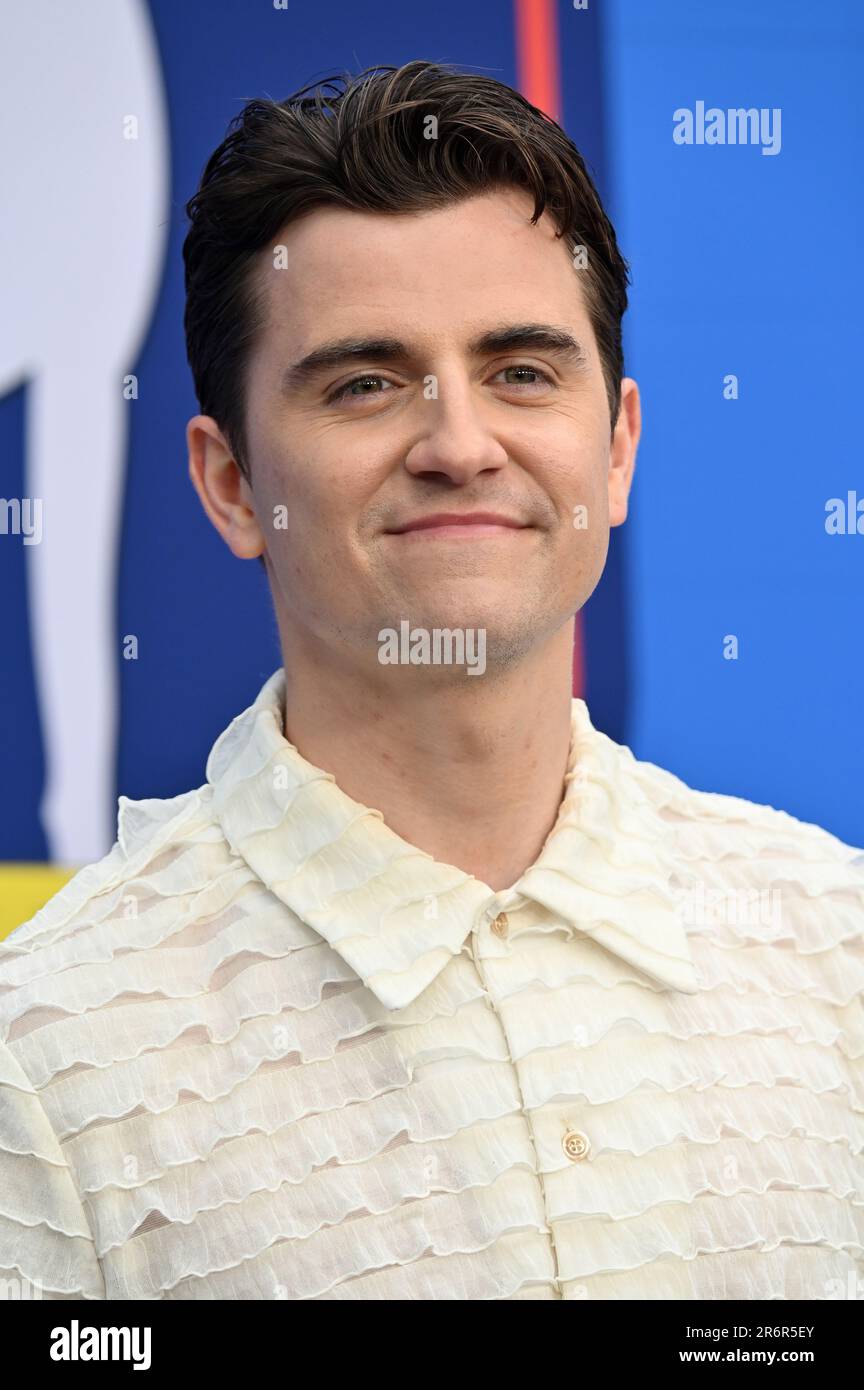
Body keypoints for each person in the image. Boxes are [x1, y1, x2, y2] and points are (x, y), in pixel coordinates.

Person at [1, 60, 862, 1302]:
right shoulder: (43, 1062)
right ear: (230, 483)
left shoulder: (840, 952)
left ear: (615, 448)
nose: (459, 443)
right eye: (364, 382)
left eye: (521, 370)